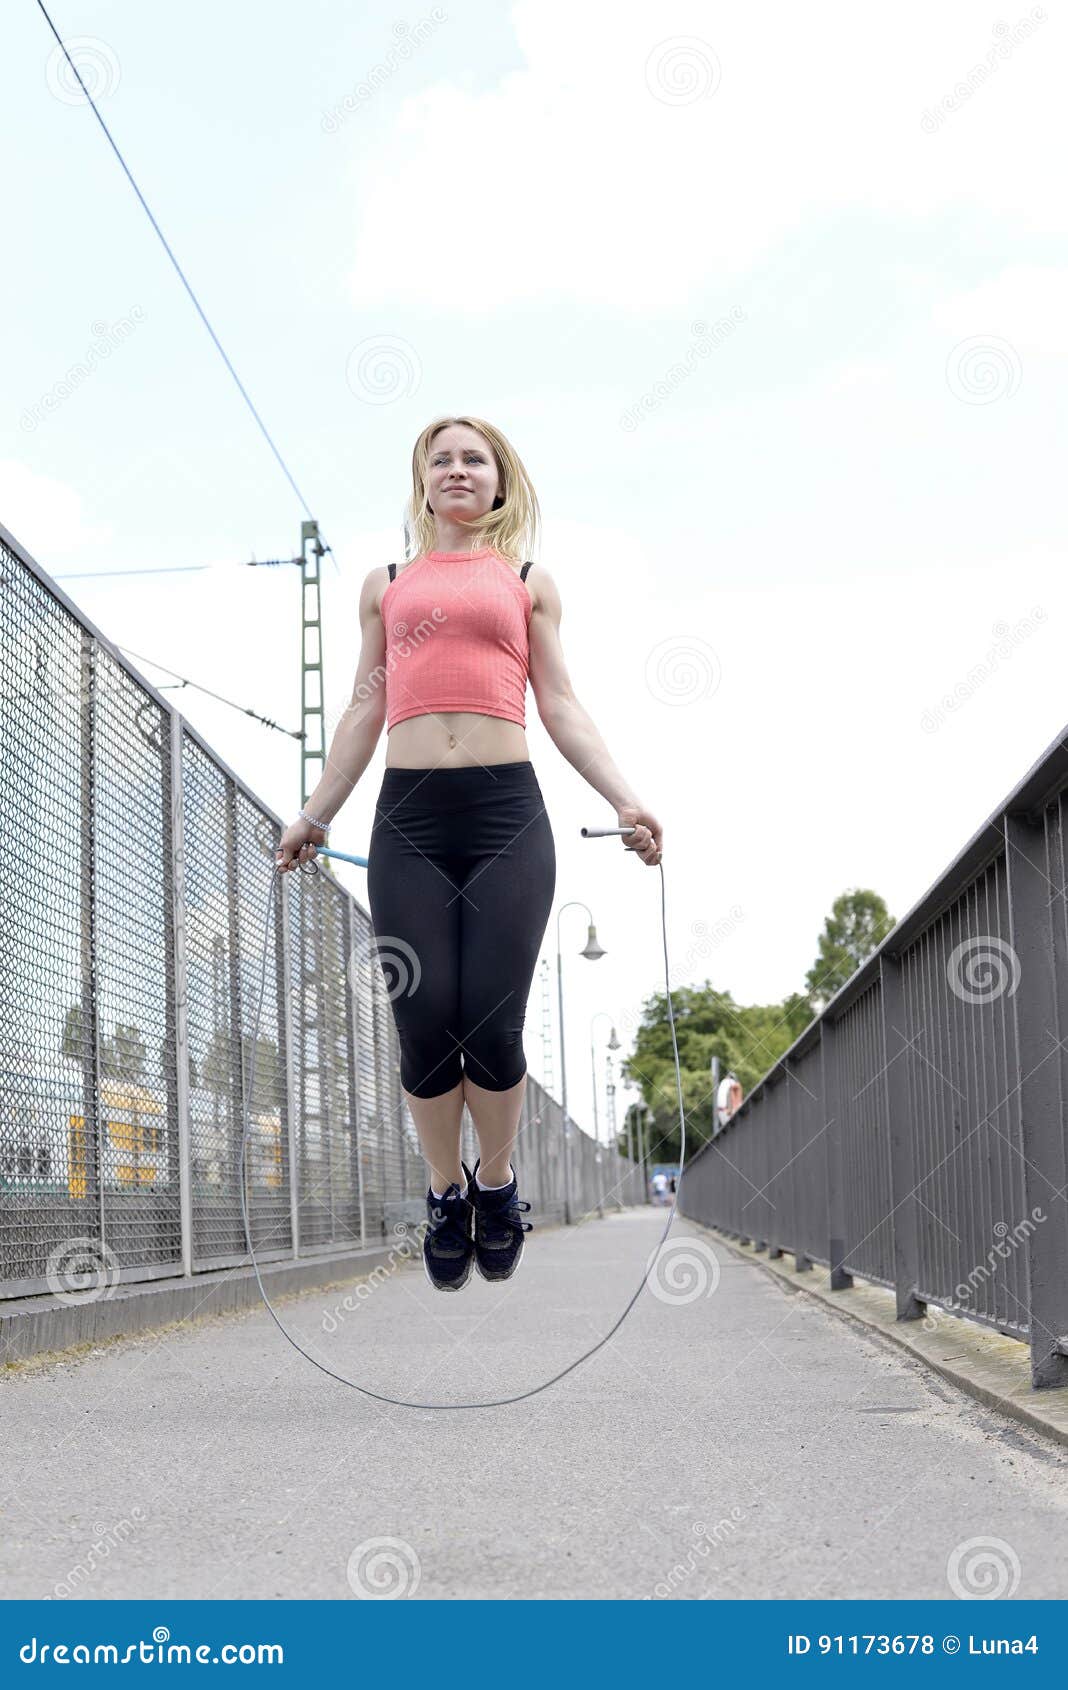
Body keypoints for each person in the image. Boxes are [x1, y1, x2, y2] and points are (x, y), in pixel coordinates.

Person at [275, 416, 664, 1292]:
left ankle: (496, 1184)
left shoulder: (528, 583)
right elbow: (362, 710)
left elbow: (560, 704)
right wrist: (314, 813)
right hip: (408, 819)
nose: (456, 470)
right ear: (423, 483)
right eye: (440, 460)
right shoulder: (387, 582)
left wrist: (625, 798)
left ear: (499, 482)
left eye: (473, 459)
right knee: (424, 1020)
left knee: (490, 1021)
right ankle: (446, 1192)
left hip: (506, 819)